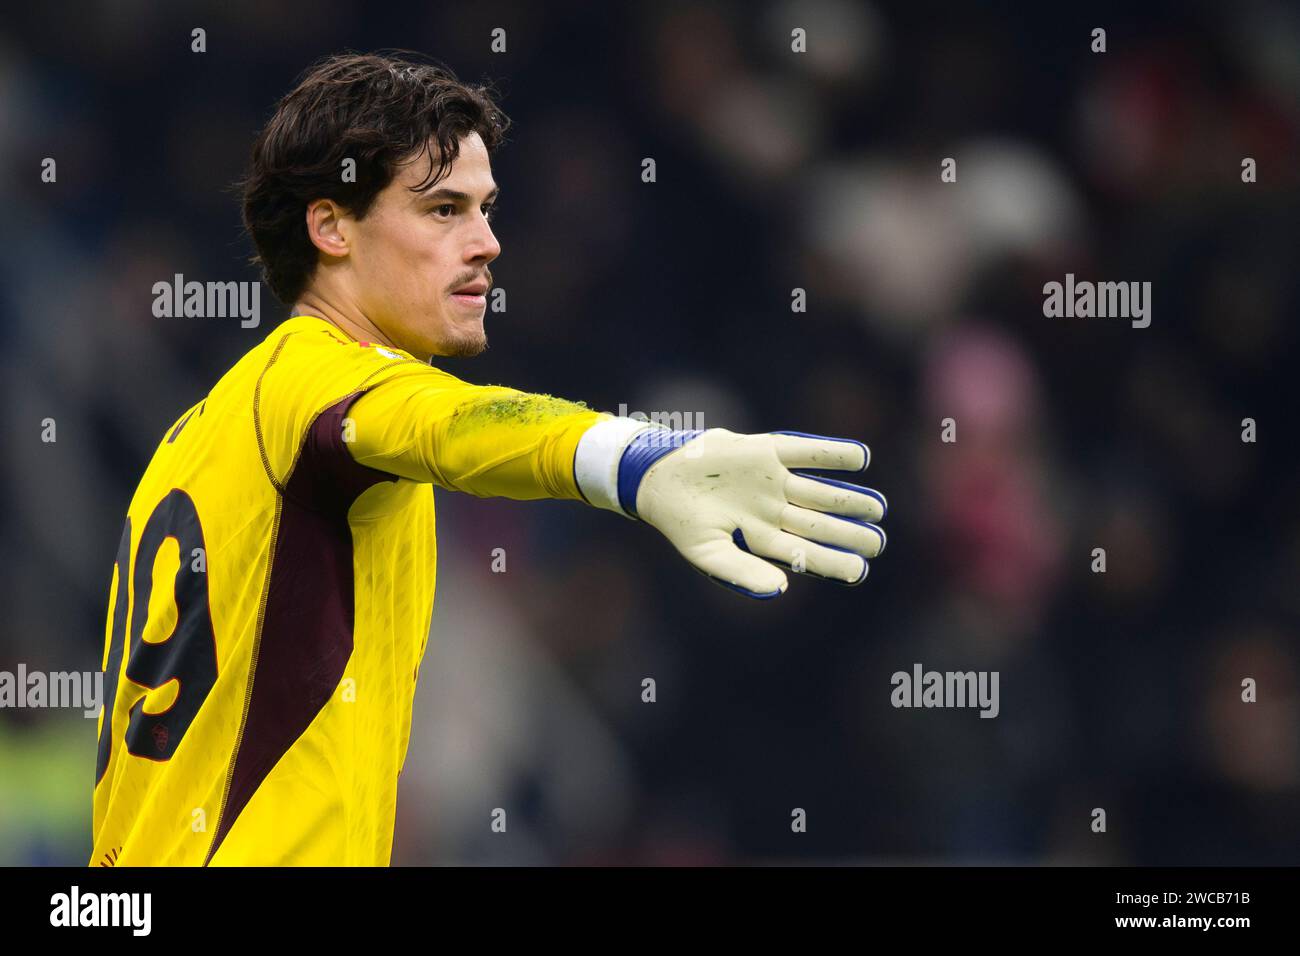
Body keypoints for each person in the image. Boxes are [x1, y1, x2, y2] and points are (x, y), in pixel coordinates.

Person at [90, 51, 887, 866]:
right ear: (330, 227)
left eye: (487, 209)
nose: (488, 244)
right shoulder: (320, 385)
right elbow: (455, 428)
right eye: (442, 211)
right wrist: (637, 458)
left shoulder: (203, 427)